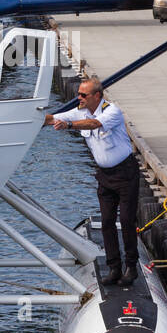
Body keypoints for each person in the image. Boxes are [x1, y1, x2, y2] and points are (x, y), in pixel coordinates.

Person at [45, 76, 140, 287]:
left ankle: (131, 267)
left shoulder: (111, 111)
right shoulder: (80, 111)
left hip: (125, 173)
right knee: (106, 222)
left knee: (126, 220)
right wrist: (32, 118)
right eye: (78, 93)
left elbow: (94, 124)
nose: (78, 98)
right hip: (105, 176)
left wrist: (69, 125)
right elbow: (53, 119)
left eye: (83, 95)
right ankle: (114, 267)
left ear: (97, 96)